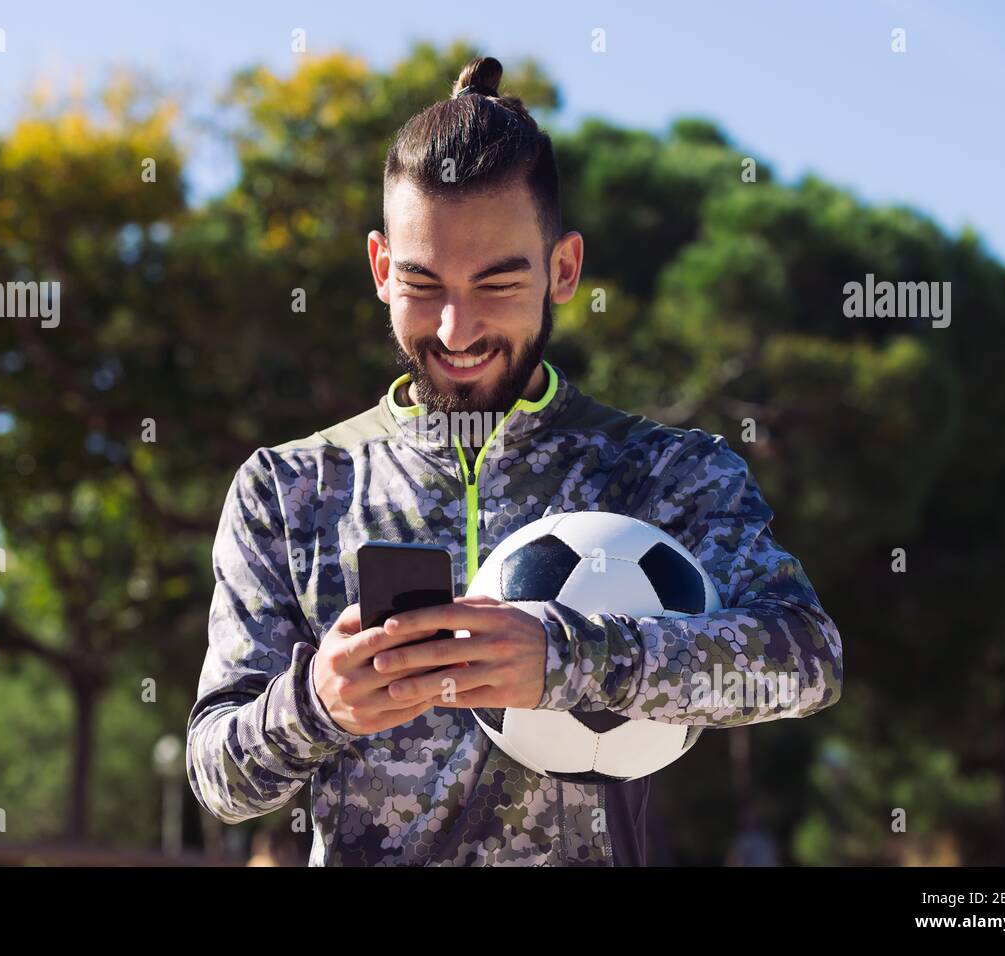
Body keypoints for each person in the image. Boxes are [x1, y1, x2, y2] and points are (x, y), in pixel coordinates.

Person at [186, 56, 843, 866]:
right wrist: (318, 704)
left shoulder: (667, 471)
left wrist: (569, 657)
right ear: (381, 269)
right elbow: (218, 776)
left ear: (563, 269)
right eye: (424, 285)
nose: (457, 330)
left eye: (496, 284)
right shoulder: (287, 490)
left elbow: (804, 659)